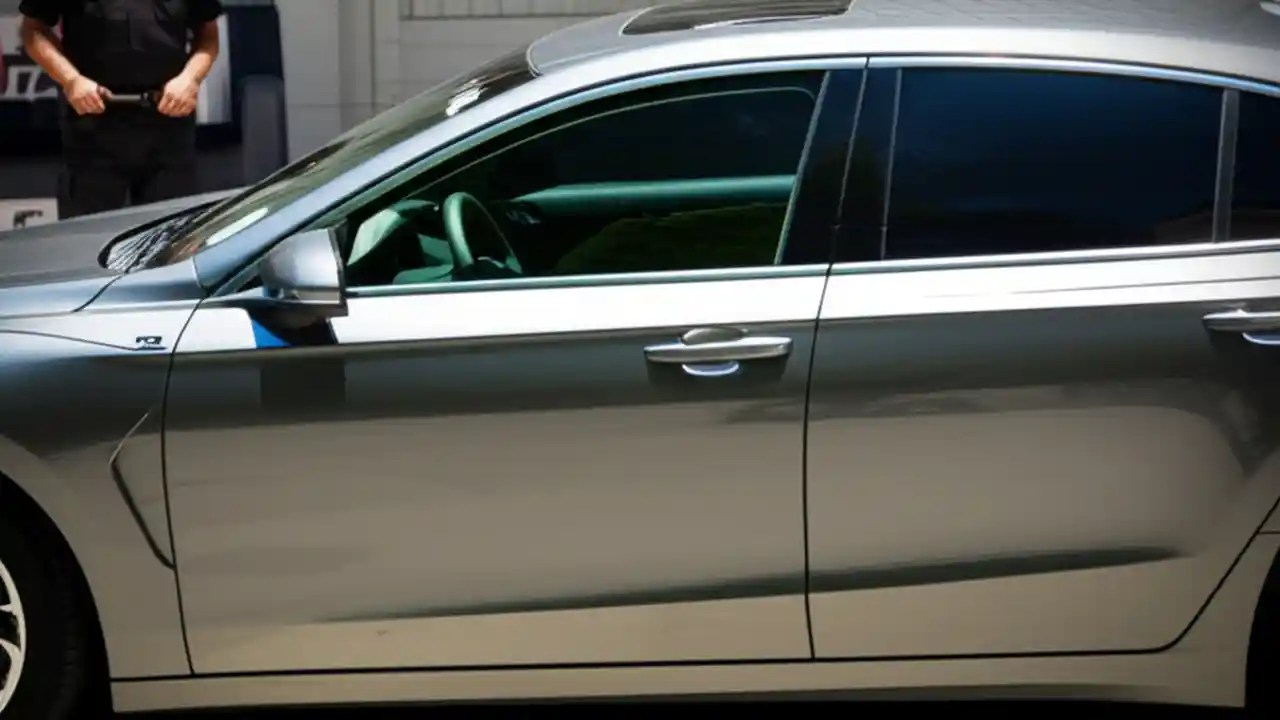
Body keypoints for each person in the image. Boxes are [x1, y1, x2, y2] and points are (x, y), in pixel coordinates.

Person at [18, 0, 223, 219]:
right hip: (92, 125)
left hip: (168, 122)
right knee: (86, 237)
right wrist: (71, 80)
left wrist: (190, 79)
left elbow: (208, 35)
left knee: (171, 236)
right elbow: (32, 29)